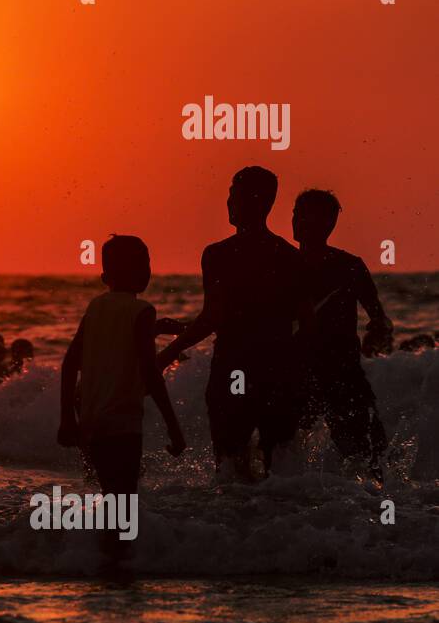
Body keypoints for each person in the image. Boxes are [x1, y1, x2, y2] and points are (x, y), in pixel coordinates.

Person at [157, 166, 311, 482]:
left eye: (233, 194)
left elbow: (215, 317)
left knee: (231, 468)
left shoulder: (219, 254)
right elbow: (303, 323)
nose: (227, 201)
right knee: (279, 473)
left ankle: (235, 529)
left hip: (234, 368)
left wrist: (166, 354)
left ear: (251, 200)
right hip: (279, 371)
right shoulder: (290, 257)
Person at [58, 236, 187, 503]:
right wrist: (173, 427)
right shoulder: (142, 310)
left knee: (110, 499)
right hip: (122, 428)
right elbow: (150, 375)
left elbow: (72, 362)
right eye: (143, 264)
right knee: (124, 503)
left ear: (106, 276)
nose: (148, 270)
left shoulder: (96, 307)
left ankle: (96, 544)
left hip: (91, 424)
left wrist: (68, 420)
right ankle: (114, 545)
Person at [292, 189, 392, 481]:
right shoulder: (284, 265)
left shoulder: (349, 265)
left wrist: (376, 338)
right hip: (299, 369)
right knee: (285, 445)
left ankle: (362, 506)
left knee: (365, 449)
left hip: (341, 369)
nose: (295, 221)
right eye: (295, 214)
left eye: (302, 215)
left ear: (326, 223)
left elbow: (379, 317)